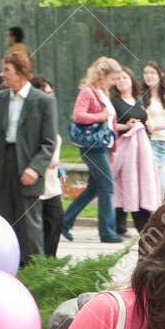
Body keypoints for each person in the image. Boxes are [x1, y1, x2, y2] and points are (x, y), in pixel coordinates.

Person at [0, 47, 58, 266]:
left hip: (28, 168)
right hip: (1, 167)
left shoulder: (43, 101)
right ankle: (2, 268)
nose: (2, 74)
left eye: (7, 70)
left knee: (30, 228)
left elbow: (49, 142)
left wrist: (35, 168)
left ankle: (35, 274)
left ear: (21, 72)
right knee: (2, 224)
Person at [61, 57, 122, 245]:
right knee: (107, 187)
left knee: (93, 189)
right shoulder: (87, 92)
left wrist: (113, 148)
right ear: (102, 75)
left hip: (102, 146)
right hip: (91, 147)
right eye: (112, 78)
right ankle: (107, 232)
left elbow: (111, 124)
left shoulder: (104, 92)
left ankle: (64, 222)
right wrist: (100, 115)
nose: (114, 82)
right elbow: (78, 116)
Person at [108, 68, 159, 237]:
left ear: (131, 80)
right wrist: (126, 126)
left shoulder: (139, 100)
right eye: (118, 78)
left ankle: (140, 227)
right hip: (123, 149)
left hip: (141, 151)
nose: (121, 80)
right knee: (124, 186)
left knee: (140, 185)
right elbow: (109, 125)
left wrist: (149, 122)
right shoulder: (113, 102)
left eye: (125, 77)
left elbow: (146, 118)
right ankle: (121, 226)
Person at [32, 75, 68, 257]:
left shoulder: (50, 118)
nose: (49, 97)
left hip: (52, 187)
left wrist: (59, 166)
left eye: (51, 93)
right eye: (45, 93)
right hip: (35, 189)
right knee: (37, 239)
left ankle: (50, 268)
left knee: (55, 227)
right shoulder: (30, 121)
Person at [140, 62, 165, 195]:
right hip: (149, 144)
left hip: (163, 146)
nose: (148, 76)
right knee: (152, 191)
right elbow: (149, 126)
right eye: (146, 73)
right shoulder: (142, 98)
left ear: (160, 75)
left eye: (152, 73)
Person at [0, 27, 27, 98]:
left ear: (13, 37)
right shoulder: (24, 48)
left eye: (8, 36)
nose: (7, 39)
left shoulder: (16, 50)